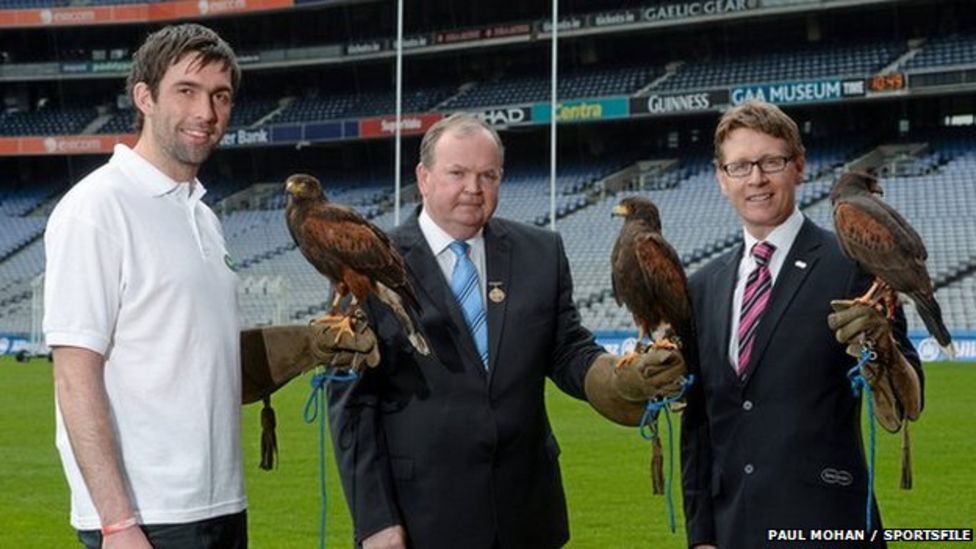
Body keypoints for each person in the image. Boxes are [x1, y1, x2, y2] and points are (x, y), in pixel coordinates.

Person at [43, 23, 376, 549]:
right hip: (148, 517)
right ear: (144, 97)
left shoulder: (203, 215)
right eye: (187, 91)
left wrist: (308, 345)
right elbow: (73, 378)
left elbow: (199, 362)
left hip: (220, 504)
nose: (206, 112)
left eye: (221, 96)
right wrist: (117, 524)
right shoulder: (96, 208)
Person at [327, 113, 681, 549]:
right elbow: (352, 403)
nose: (474, 189)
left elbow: (567, 348)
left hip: (529, 515)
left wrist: (614, 377)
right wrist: (376, 521)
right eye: (457, 173)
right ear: (423, 177)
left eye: (488, 175)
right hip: (423, 518)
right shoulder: (368, 259)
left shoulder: (542, 251)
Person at [680, 100, 924, 548]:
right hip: (733, 529)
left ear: (799, 167)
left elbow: (908, 398)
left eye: (771, 162)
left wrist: (882, 351)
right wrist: (701, 537)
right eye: (740, 166)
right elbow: (698, 426)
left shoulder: (851, 265)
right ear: (721, 177)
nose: (756, 178)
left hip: (828, 525)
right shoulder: (701, 287)